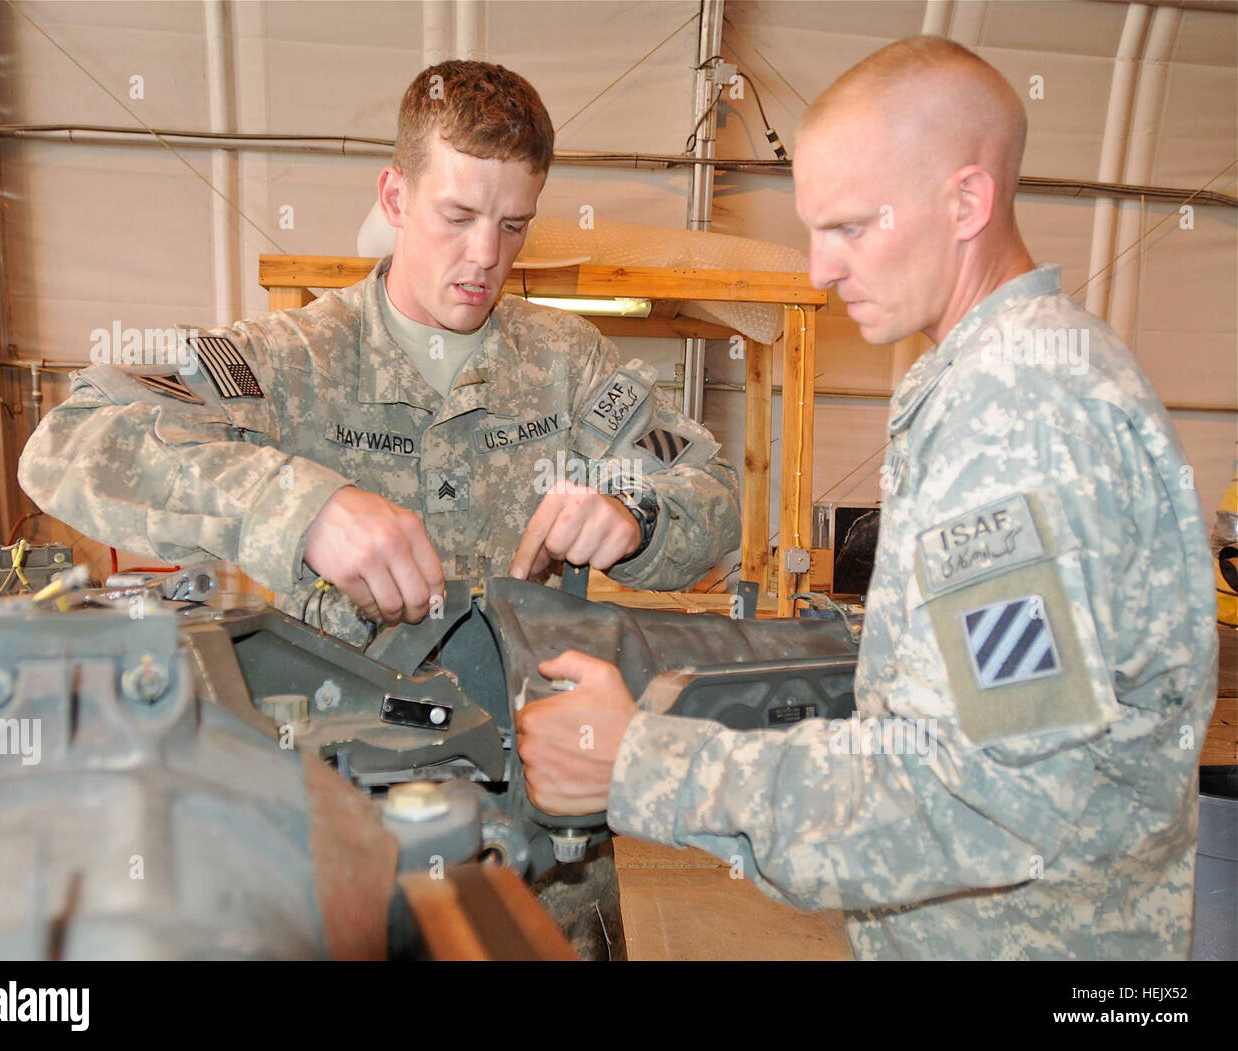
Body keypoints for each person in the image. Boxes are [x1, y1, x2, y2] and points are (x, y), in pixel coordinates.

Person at [515, 36, 1218, 960]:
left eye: (851, 228)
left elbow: (992, 796)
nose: (819, 270)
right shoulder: (1011, 379)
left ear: (967, 200)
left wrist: (641, 762)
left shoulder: (1018, 417)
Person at [17, 60, 740, 644]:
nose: (487, 255)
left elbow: (713, 493)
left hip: (530, 761)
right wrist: (303, 504)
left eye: (513, 224)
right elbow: (70, 439)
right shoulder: (290, 360)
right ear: (395, 198)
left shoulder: (569, 363)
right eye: (457, 217)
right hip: (338, 772)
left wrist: (633, 511)